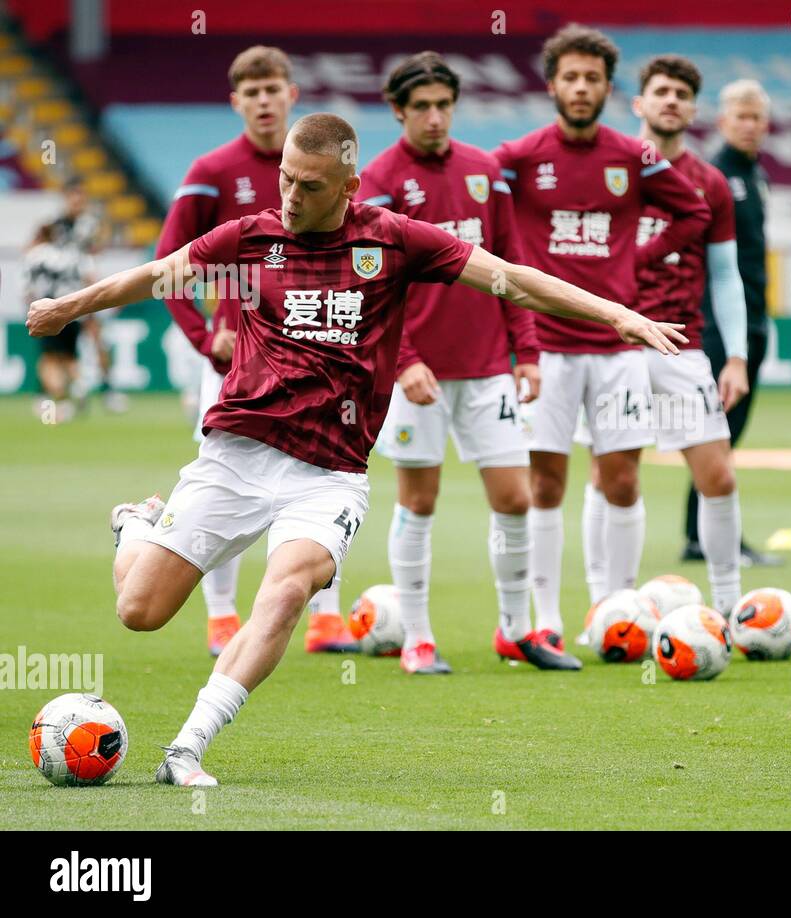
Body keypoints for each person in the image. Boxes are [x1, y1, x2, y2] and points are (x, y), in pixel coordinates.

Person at [26, 113, 685, 786]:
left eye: (308, 186)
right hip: (238, 452)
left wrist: (618, 314)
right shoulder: (250, 238)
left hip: (330, 473)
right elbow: (161, 273)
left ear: (350, 183)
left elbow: (512, 277)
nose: (289, 196)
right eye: (284, 178)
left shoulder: (393, 241)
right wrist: (69, 308)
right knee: (139, 612)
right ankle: (137, 524)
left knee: (287, 589)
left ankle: (187, 746)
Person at [493, 24, 710, 655]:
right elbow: (476, 197)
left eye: (592, 79)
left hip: (618, 351)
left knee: (621, 482)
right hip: (547, 349)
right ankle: (545, 618)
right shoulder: (521, 155)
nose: (581, 88)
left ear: (609, 88)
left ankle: (614, 611)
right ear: (553, 84)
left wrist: (639, 260)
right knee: (546, 487)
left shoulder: (633, 156)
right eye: (571, 77)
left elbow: (692, 212)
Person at [359, 52, 566, 672]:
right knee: (419, 502)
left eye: (443, 105)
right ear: (398, 110)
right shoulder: (379, 182)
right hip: (417, 374)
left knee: (514, 497)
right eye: (421, 106)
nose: (434, 117)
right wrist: (404, 360)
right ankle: (419, 639)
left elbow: (511, 265)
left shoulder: (484, 172)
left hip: (486, 371)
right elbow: (370, 287)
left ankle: (515, 630)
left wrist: (525, 350)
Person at [155, 46, 352, 657]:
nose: (264, 101)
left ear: (293, 96)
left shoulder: (325, 163)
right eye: (252, 91)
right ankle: (221, 617)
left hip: (321, 356)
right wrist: (200, 334)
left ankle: (325, 617)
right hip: (240, 364)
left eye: (274, 89)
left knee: (326, 476)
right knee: (224, 484)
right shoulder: (213, 169)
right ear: (235, 101)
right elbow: (166, 266)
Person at [580, 54, 749, 616]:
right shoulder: (609, 170)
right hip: (614, 346)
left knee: (718, 477)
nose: (671, 100)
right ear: (639, 103)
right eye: (661, 91)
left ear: (693, 109)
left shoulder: (710, 183)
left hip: (682, 347)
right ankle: (609, 610)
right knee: (613, 479)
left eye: (681, 92)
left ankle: (730, 609)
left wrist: (738, 357)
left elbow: (724, 274)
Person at [681, 79, 781, 567]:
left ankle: (705, 534)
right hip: (719, 325)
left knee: (727, 434)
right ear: (721, 122)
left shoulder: (756, 174)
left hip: (753, 321)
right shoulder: (714, 174)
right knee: (714, 433)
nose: (748, 125)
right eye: (739, 116)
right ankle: (706, 537)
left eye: (755, 117)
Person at [24, 220, 92, 422]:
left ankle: (60, 401)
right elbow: (89, 280)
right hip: (73, 311)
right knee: (70, 356)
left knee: (49, 358)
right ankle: (79, 385)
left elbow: (27, 288)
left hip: (48, 310)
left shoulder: (36, 255)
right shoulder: (75, 255)